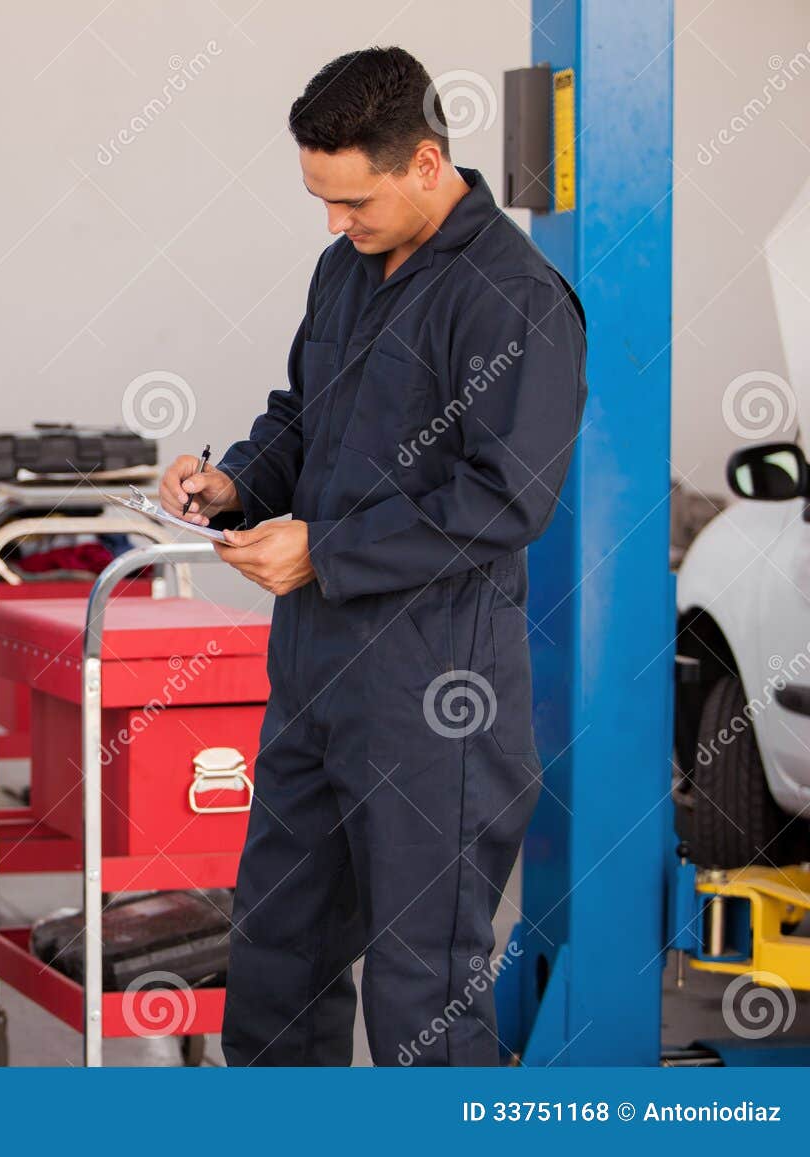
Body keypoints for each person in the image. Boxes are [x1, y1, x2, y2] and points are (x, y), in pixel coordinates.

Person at [158, 45, 586, 1065]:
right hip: (315, 678)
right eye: (321, 200)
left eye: (352, 200)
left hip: (434, 693)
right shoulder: (345, 270)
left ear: (426, 165)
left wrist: (326, 552)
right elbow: (303, 415)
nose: (334, 223)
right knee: (274, 957)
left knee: (419, 991)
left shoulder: (512, 298)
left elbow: (505, 497)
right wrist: (235, 482)